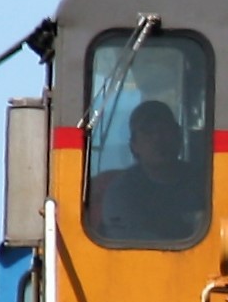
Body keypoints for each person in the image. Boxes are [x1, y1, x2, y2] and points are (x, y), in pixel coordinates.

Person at [88, 98, 205, 243]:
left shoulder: (203, 183)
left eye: (164, 129)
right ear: (134, 145)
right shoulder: (121, 192)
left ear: (178, 136)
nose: (158, 139)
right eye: (148, 132)